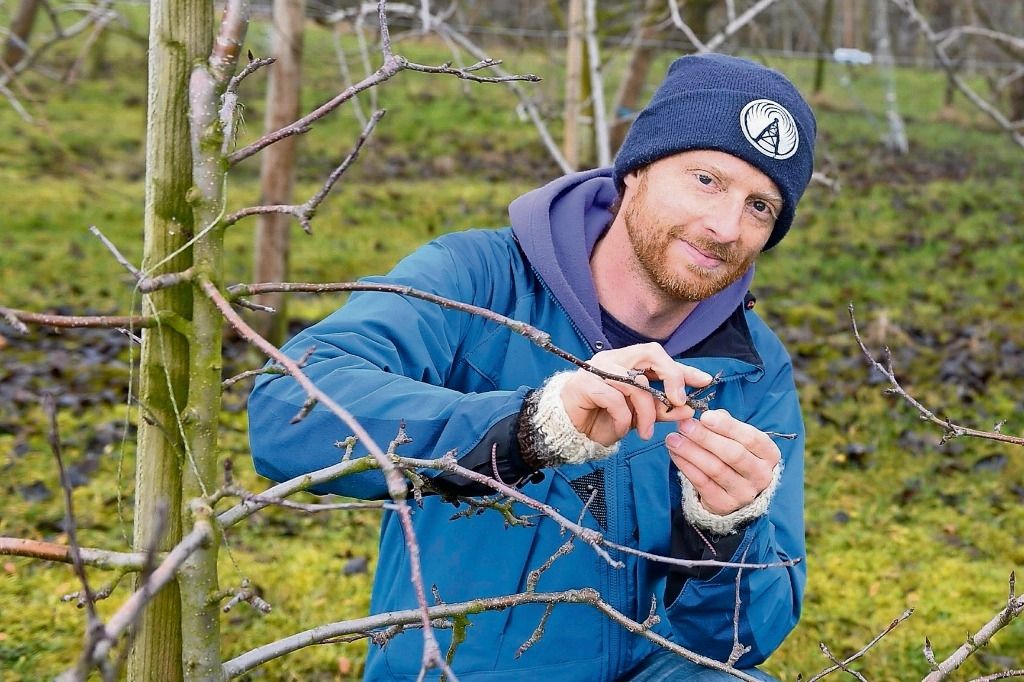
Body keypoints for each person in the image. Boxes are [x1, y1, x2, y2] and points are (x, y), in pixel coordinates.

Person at [249, 53, 815, 681]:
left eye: (760, 206)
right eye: (706, 179)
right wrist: (531, 427)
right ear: (637, 171)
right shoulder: (475, 281)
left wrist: (725, 535)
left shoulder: (752, 370)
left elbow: (742, 640)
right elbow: (285, 408)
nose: (725, 226)